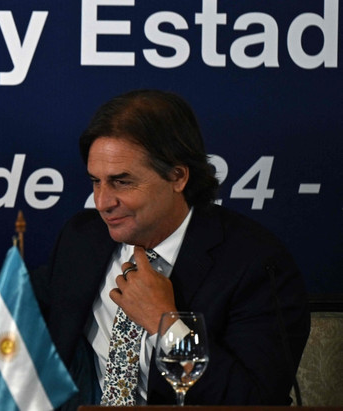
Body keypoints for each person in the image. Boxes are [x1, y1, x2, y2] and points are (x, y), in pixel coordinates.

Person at [34, 89, 310, 407]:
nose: (102, 202)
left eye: (121, 182)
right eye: (96, 181)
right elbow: (24, 310)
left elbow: (253, 400)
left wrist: (165, 321)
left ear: (177, 177)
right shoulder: (83, 237)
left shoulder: (256, 265)